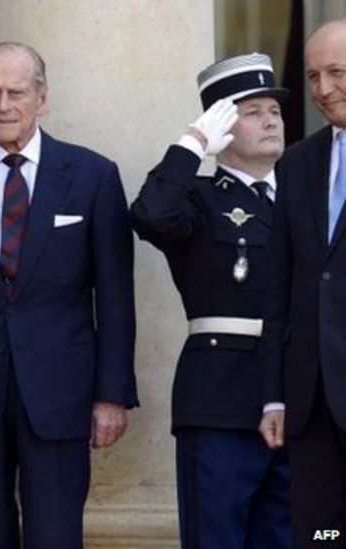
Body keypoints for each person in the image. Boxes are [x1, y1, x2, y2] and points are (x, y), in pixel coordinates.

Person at [0, 42, 137, 548]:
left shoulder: (92, 177)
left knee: (57, 537)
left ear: (42, 97)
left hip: (62, 393)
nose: (3, 105)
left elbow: (116, 295)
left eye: (16, 92)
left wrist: (111, 395)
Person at [131, 53, 291, 548]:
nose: (270, 120)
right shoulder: (198, 198)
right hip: (223, 398)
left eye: (276, 111)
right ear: (221, 123)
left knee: (308, 534)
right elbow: (151, 215)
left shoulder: (306, 192)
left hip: (301, 397)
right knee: (216, 538)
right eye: (252, 111)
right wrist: (192, 144)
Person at [260, 18, 346, 547]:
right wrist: (274, 397)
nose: (322, 89)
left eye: (337, 72)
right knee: (323, 534)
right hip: (311, 403)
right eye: (313, 76)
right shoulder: (295, 165)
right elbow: (280, 288)